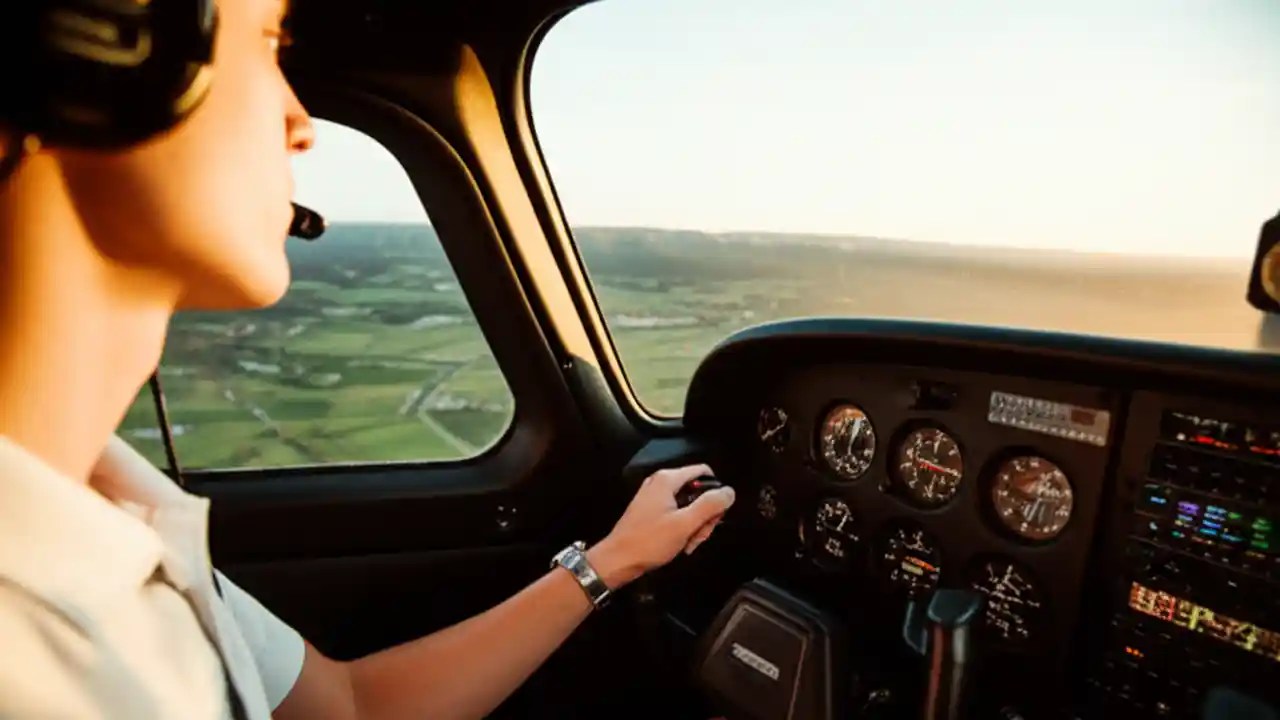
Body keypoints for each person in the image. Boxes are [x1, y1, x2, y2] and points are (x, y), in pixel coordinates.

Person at [0, 0, 737, 718]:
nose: (300, 124)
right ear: (96, 52)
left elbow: (352, 706)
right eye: (263, 42)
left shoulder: (118, 510)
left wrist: (613, 561)